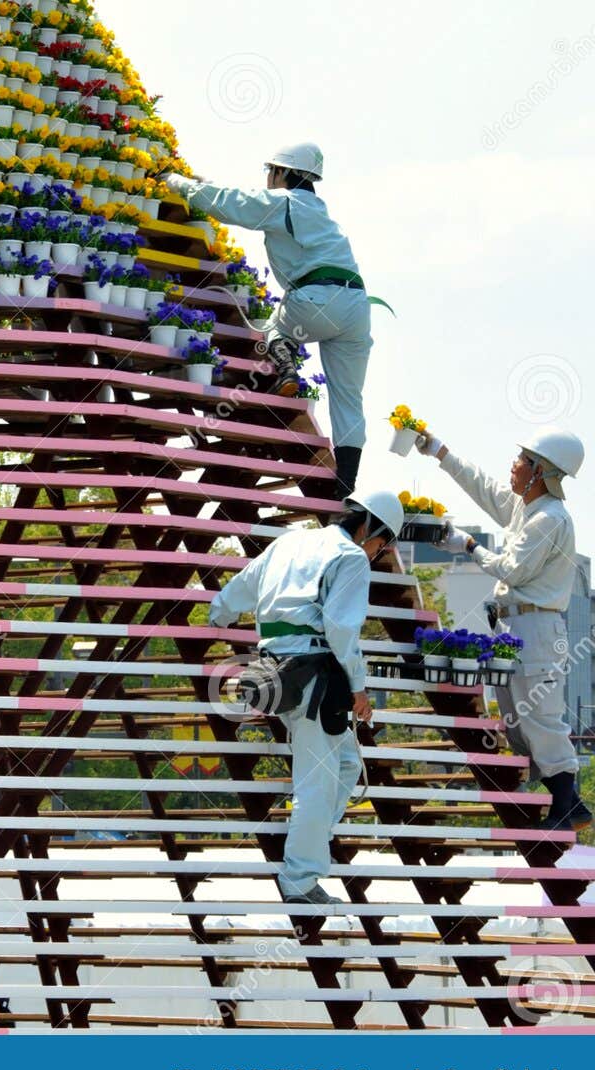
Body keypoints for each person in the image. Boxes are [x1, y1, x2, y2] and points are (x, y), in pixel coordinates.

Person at [208, 488, 405, 905]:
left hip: (274, 674)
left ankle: (310, 838)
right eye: (382, 543)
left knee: (348, 765)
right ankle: (300, 878)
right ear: (370, 527)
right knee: (318, 784)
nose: (377, 552)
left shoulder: (290, 541)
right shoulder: (350, 558)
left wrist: (217, 614)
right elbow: (341, 630)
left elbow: (239, 590)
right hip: (316, 676)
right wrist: (359, 687)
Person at [157, 143, 375, 498]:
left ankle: (287, 371)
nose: (268, 178)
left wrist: (177, 183)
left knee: (271, 326)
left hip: (315, 298)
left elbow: (232, 203)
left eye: (270, 171)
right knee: (349, 399)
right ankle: (346, 486)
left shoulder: (283, 203)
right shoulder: (320, 212)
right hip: (356, 306)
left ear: (283, 173)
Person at [417, 424, 588, 831]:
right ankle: (570, 803)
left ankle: (565, 805)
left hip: (538, 627)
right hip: (514, 625)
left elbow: (513, 569)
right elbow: (482, 485)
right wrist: (440, 451)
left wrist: (469, 546)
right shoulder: (525, 509)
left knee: (541, 716)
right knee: (516, 716)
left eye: (522, 460)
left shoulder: (549, 518)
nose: (513, 465)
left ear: (540, 470)